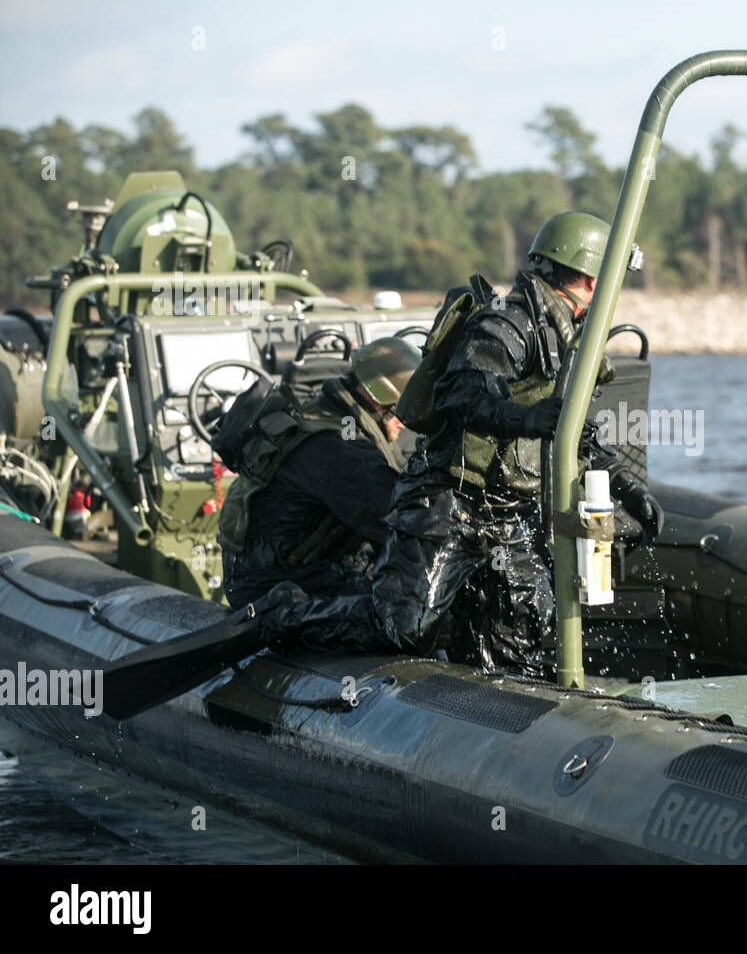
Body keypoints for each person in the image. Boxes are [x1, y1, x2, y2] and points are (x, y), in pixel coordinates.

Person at [266, 212, 663, 676]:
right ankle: (282, 617)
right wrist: (526, 417)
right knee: (404, 626)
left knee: (520, 644)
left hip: (511, 514)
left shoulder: (573, 340)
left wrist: (624, 484)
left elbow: (576, 434)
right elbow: (462, 392)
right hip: (449, 502)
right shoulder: (509, 325)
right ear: (592, 280)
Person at [217, 337, 421, 607]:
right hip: (275, 593)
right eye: (401, 412)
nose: (405, 425)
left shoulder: (325, 414)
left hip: (267, 576)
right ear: (378, 402)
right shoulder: (342, 451)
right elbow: (401, 526)